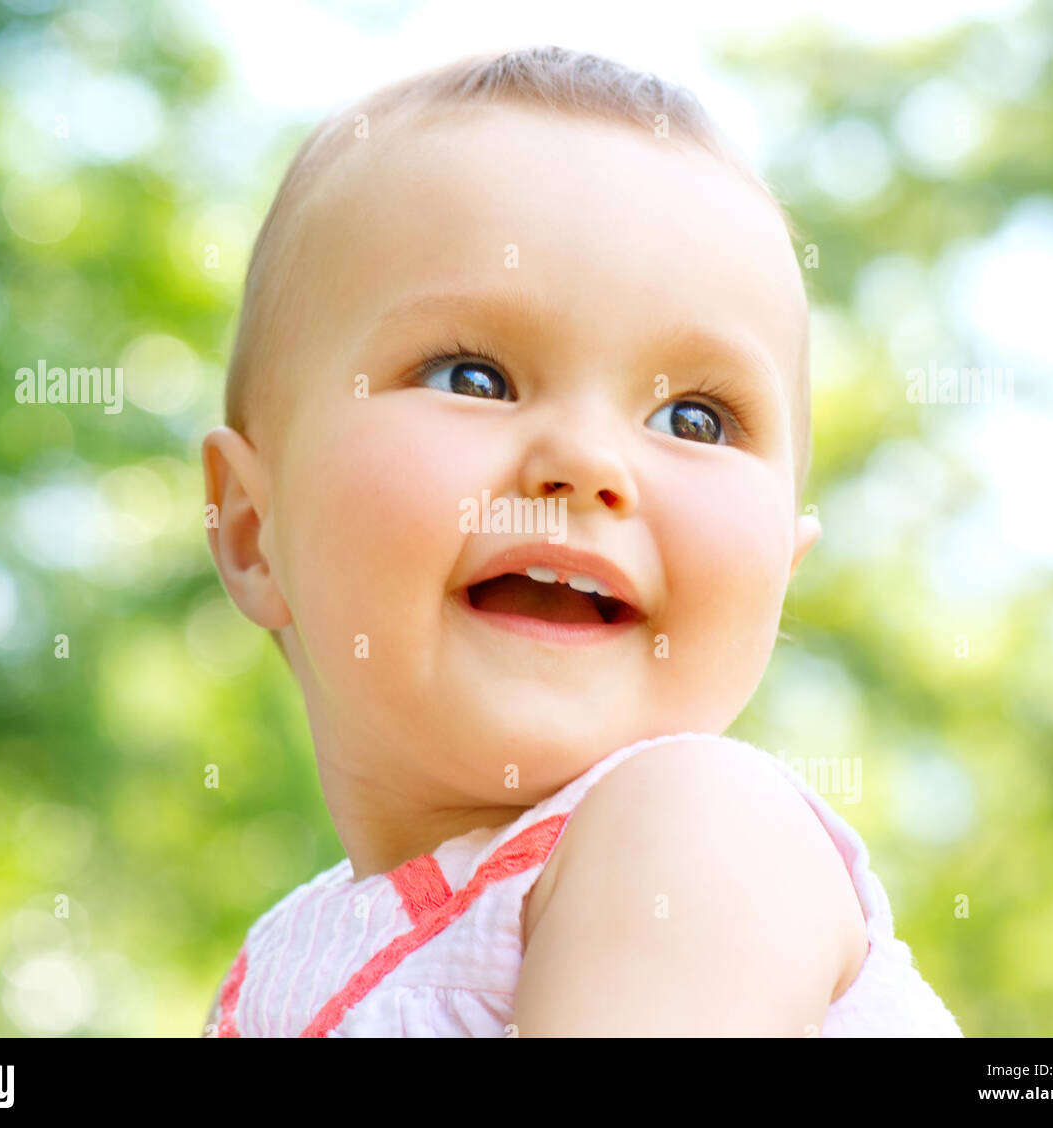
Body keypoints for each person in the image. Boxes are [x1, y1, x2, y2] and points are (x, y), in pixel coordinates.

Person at [199, 44, 963, 1037]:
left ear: (783, 569)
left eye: (694, 418)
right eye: (473, 377)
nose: (590, 463)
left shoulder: (696, 829)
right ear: (256, 532)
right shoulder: (289, 961)